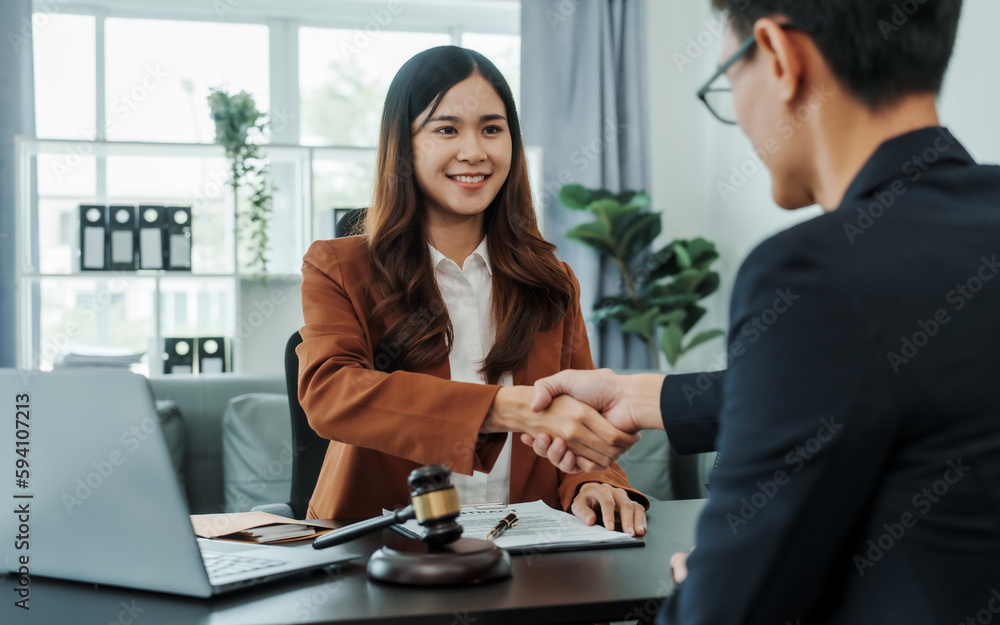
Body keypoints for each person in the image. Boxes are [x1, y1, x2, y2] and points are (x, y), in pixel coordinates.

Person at [524, 0, 1000, 623]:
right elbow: (901, 380)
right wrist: (642, 396)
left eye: (727, 80)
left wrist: (706, 584)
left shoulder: (814, 273)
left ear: (778, 56)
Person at [296, 45, 649, 535]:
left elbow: (579, 420)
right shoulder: (340, 266)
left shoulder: (552, 279)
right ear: (403, 145)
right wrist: (504, 409)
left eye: (491, 129)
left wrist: (594, 481)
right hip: (377, 545)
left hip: (526, 543)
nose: (474, 151)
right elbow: (330, 392)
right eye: (446, 129)